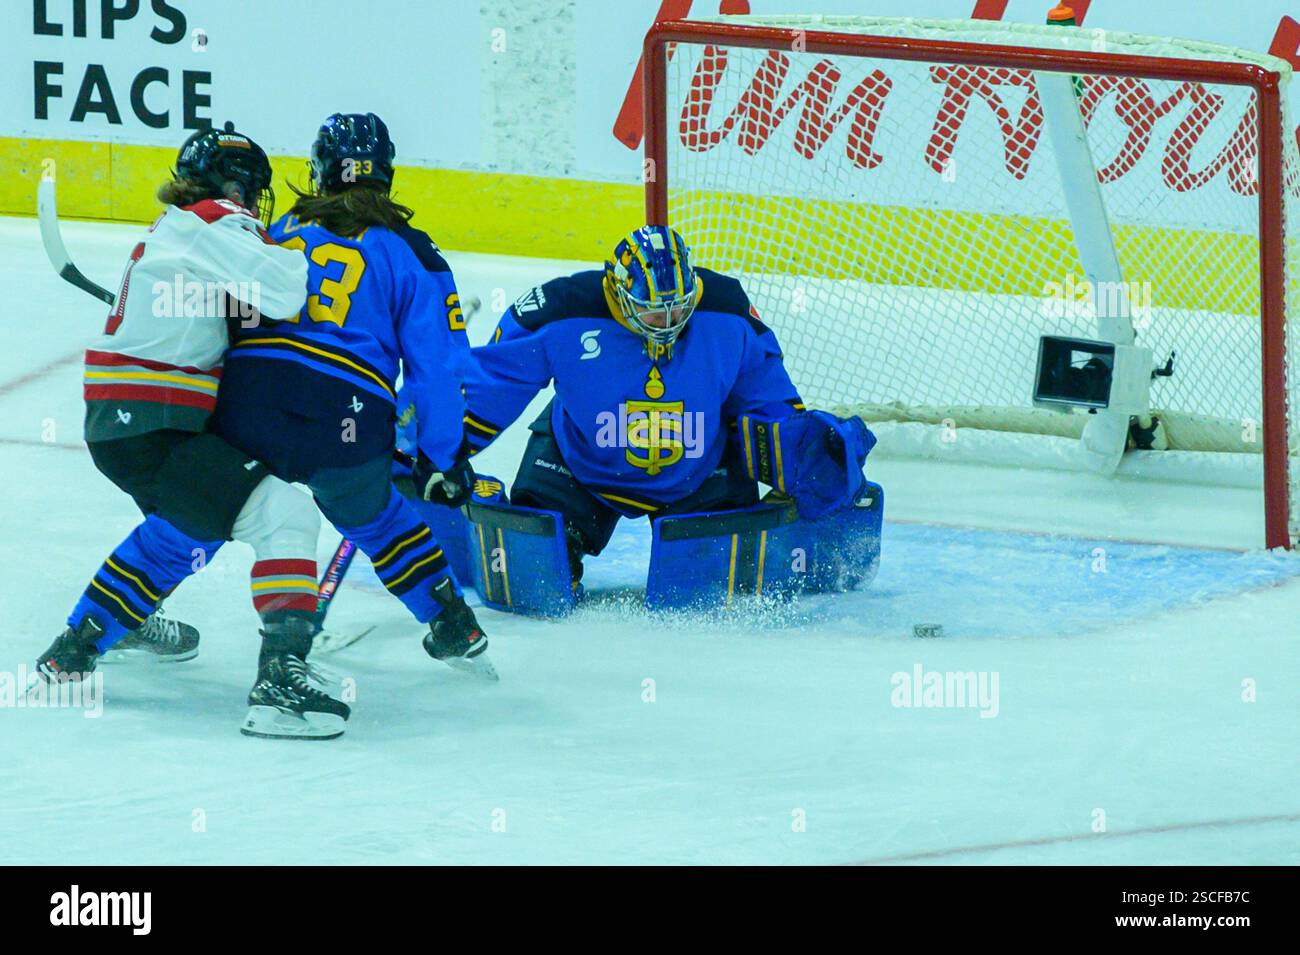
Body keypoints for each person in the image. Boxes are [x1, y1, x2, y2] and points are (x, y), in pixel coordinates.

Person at [33, 122, 352, 740]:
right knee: (283, 513)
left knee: (187, 531)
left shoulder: (179, 229)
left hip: (121, 424)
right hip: (156, 423)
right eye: (254, 191)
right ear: (240, 186)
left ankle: (81, 644)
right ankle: (280, 682)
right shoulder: (218, 220)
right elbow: (287, 290)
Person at [210, 112, 494, 679]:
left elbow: (227, 317)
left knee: (200, 508)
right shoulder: (412, 250)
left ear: (320, 170)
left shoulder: (281, 229)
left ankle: (119, 616)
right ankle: (452, 622)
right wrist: (440, 458)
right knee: (379, 518)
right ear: (386, 173)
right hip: (346, 419)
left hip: (254, 403)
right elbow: (437, 372)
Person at [461, 225, 867, 588]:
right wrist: (439, 447)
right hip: (578, 465)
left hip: (699, 474)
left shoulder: (727, 313)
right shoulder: (559, 312)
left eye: (678, 306)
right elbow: (492, 386)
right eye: (655, 311)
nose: (669, 320)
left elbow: (766, 397)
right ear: (619, 294)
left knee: (713, 583)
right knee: (534, 574)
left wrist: (808, 455)